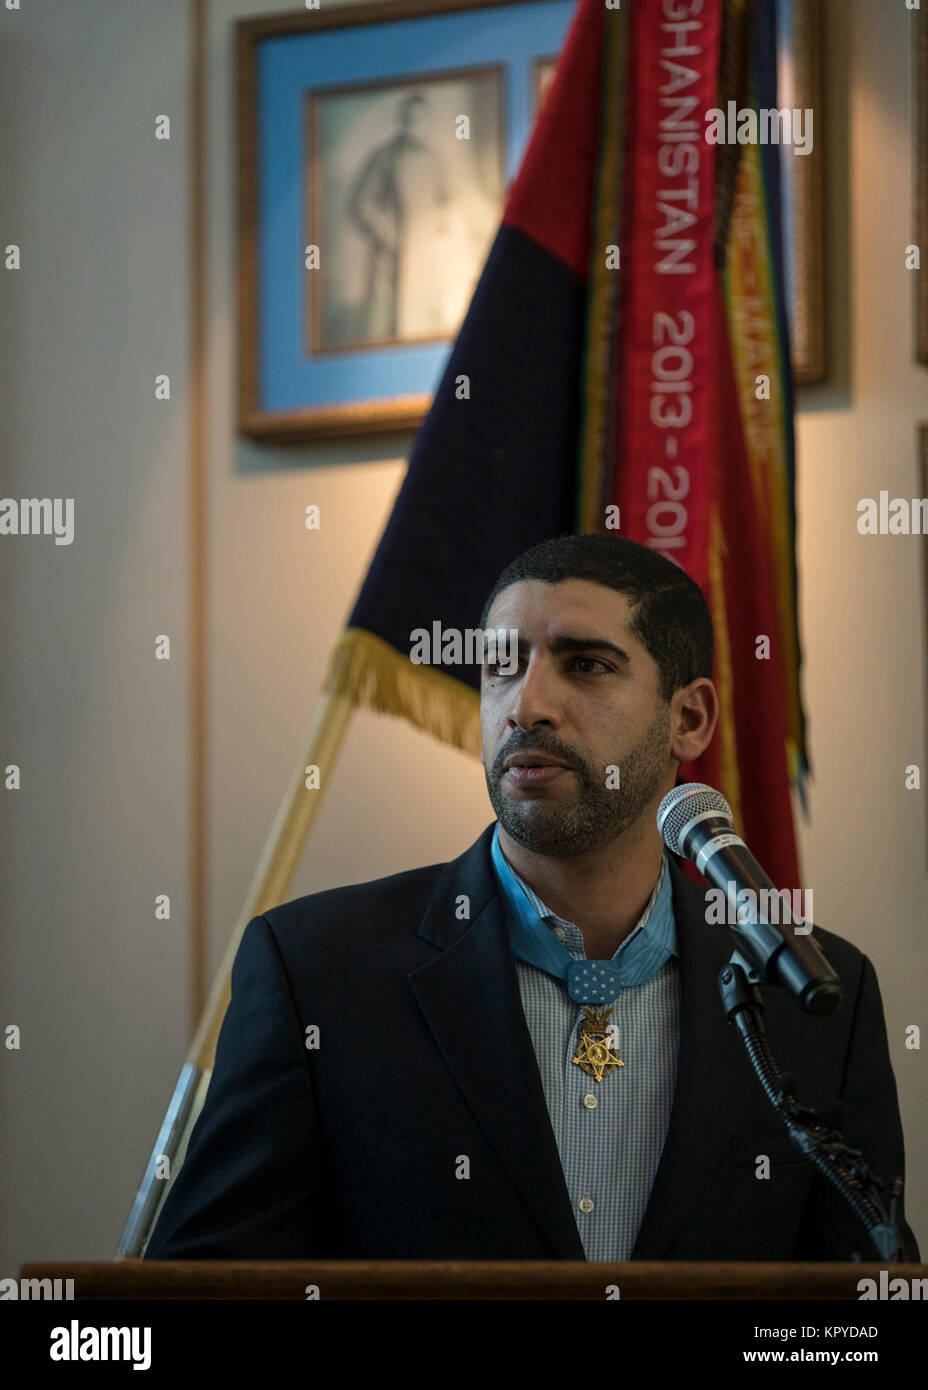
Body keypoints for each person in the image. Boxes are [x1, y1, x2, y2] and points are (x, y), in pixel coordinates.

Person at [144, 534, 919, 1262]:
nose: (526, 706)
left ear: (688, 719)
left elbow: (854, 1321)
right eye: (502, 666)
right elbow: (209, 1293)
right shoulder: (316, 973)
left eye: (584, 666)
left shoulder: (816, 995)